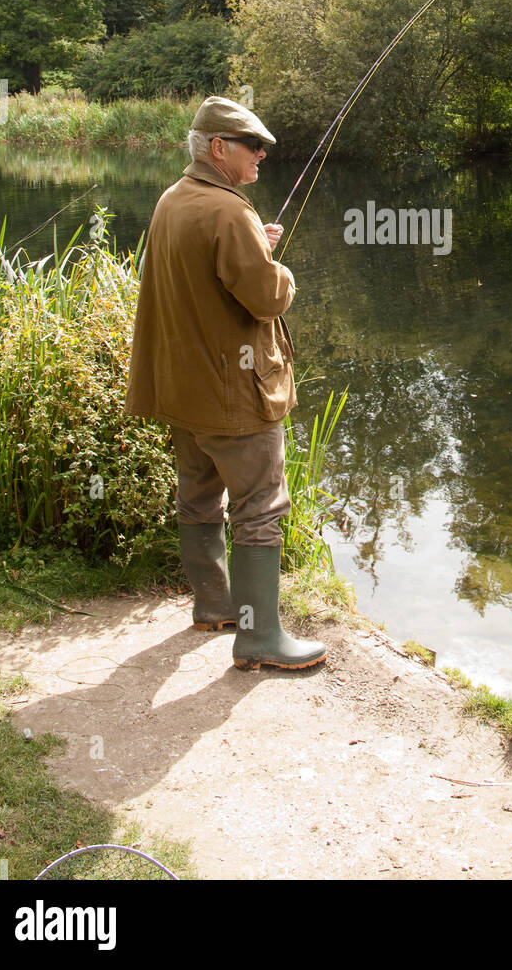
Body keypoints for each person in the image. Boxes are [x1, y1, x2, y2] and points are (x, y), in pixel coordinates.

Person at [124, 95, 326, 671]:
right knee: (260, 509)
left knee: (198, 496)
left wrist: (249, 243)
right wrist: (274, 262)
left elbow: (199, 271)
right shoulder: (228, 212)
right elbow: (266, 297)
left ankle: (214, 605)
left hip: (184, 394)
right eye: (251, 145)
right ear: (218, 148)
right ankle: (260, 638)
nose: (261, 155)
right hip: (235, 397)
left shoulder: (173, 200)